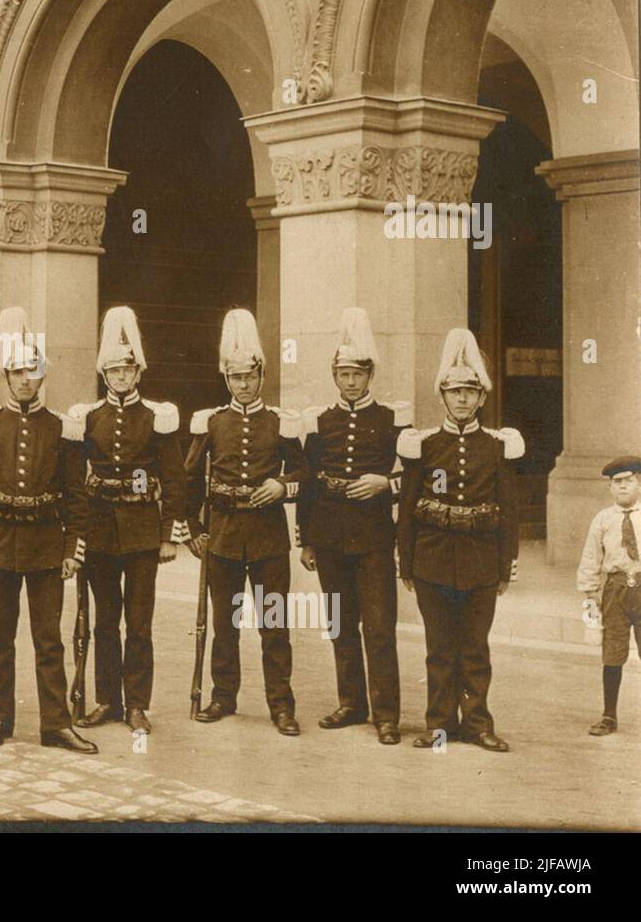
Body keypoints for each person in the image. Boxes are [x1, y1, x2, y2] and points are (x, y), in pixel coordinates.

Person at [0, 308, 96, 753]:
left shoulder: (63, 430)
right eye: (17, 372)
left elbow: (76, 497)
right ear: (6, 376)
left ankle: (55, 724)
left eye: (32, 372)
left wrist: (73, 549)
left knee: (48, 638)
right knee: (0, 637)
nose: (24, 381)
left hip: (46, 550)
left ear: (41, 376)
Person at [397, 328, 522, 753]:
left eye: (471, 392)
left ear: (482, 398)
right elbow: (408, 508)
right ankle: (439, 725)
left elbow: (510, 512)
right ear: (443, 397)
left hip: (481, 563)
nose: (463, 399)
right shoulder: (425, 446)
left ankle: (477, 724)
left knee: (475, 651)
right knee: (439, 650)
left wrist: (506, 567)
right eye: (455, 392)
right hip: (432, 562)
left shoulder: (496, 447)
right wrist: (407, 564)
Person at [186, 309, 307, 736]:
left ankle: (281, 705)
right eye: (236, 377)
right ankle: (223, 696)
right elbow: (189, 481)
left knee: (274, 626)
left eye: (250, 376)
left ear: (261, 375)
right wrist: (194, 531)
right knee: (226, 624)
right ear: (226, 378)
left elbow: (305, 473)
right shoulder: (212, 422)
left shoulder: (279, 422)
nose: (243, 384)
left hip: (269, 539)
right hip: (222, 538)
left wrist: (282, 487)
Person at [70, 306, 187, 735]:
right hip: (100, 530)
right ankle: (107, 700)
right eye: (114, 371)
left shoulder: (156, 418)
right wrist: (77, 537)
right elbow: (75, 482)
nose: (121, 377)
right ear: (104, 373)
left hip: (140, 531)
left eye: (128, 370)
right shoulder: (90, 419)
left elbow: (175, 480)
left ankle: (137, 704)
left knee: (139, 622)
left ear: (139, 372)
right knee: (104, 621)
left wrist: (169, 535)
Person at [298, 308, 411, 745]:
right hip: (328, 535)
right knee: (340, 624)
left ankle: (386, 714)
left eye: (357, 374)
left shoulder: (392, 419)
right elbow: (308, 478)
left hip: (374, 538)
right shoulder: (320, 421)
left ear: (370, 375)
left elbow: (413, 474)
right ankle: (352, 702)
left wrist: (386, 482)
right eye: (343, 374)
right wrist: (306, 540)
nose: (350, 381)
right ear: (334, 375)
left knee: (379, 627)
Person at [576, 455, 641, 736]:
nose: (622, 487)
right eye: (616, 483)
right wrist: (591, 606)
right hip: (615, 592)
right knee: (612, 654)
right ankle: (608, 716)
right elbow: (590, 561)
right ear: (610, 488)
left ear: (639, 483)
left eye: (628, 481)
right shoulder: (603, 520)